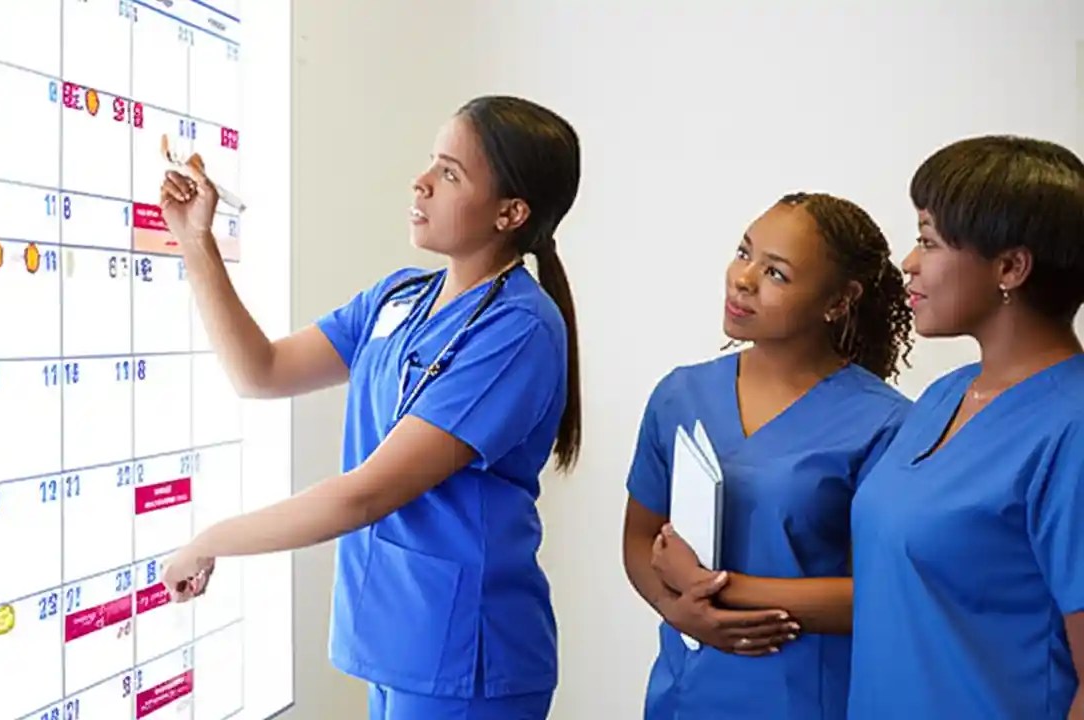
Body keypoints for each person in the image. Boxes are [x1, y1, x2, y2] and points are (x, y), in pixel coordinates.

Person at [154, 95, 583, 720]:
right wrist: (197, 244)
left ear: (510, 212)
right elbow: (261, 371)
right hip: (395, 641)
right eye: (432, 162)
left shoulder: (518, 330)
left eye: (451, 173)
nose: (422, 182)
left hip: (468, 657)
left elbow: (366, 495)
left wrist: (212, 539)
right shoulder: (400, 297)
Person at [622, 191, 915, 719]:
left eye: (776, 273)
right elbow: (640, 538)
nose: (743, 278)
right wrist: (680, 611)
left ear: (839, 300)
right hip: (685, 690)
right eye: (744, 252)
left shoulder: (888, 426)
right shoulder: (679, 396)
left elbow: (879, 595)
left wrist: (721, 591)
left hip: (804, 695)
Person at [846, 135, 1084, 719]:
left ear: (1010, 266)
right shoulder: (943, 397)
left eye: (928, 239)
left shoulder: (1072, 429)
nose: (908, 261)